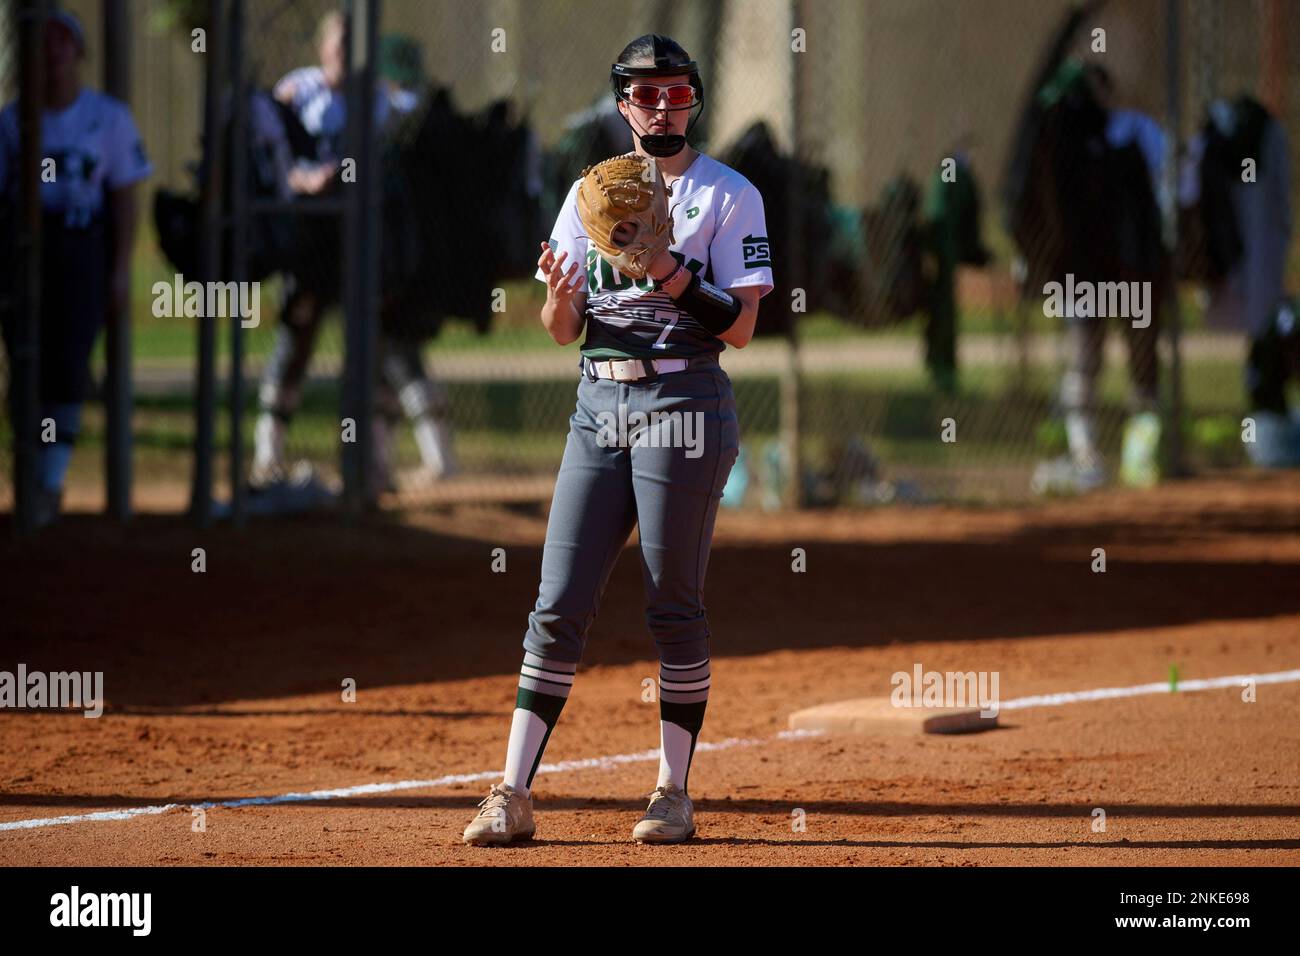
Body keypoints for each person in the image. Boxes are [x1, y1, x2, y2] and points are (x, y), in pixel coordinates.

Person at [461, 34, 772, 846]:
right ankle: (510, 793)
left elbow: (740, 328)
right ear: (622, 104)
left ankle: (672, 793)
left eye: (674, 91)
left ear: (695, 98)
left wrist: (668, 270)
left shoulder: (729, 194)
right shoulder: (590, 191)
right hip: (598, 406)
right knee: (557, 603)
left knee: (673, 603)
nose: (660, 105)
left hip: (684, 399)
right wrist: (562, 296)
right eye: (644, 92)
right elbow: (565, 329)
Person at [0, 10, 152, 526]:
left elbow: (126, 197)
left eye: (65, 41)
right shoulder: (13, 120)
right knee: (27, 369)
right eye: (44, 41)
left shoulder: (106, 117)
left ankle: (47, 482)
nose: (54, 51)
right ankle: (27, 475)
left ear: (80, 52)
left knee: (66, 369)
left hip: (80, 247)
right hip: (24, 251)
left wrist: (119, 268)